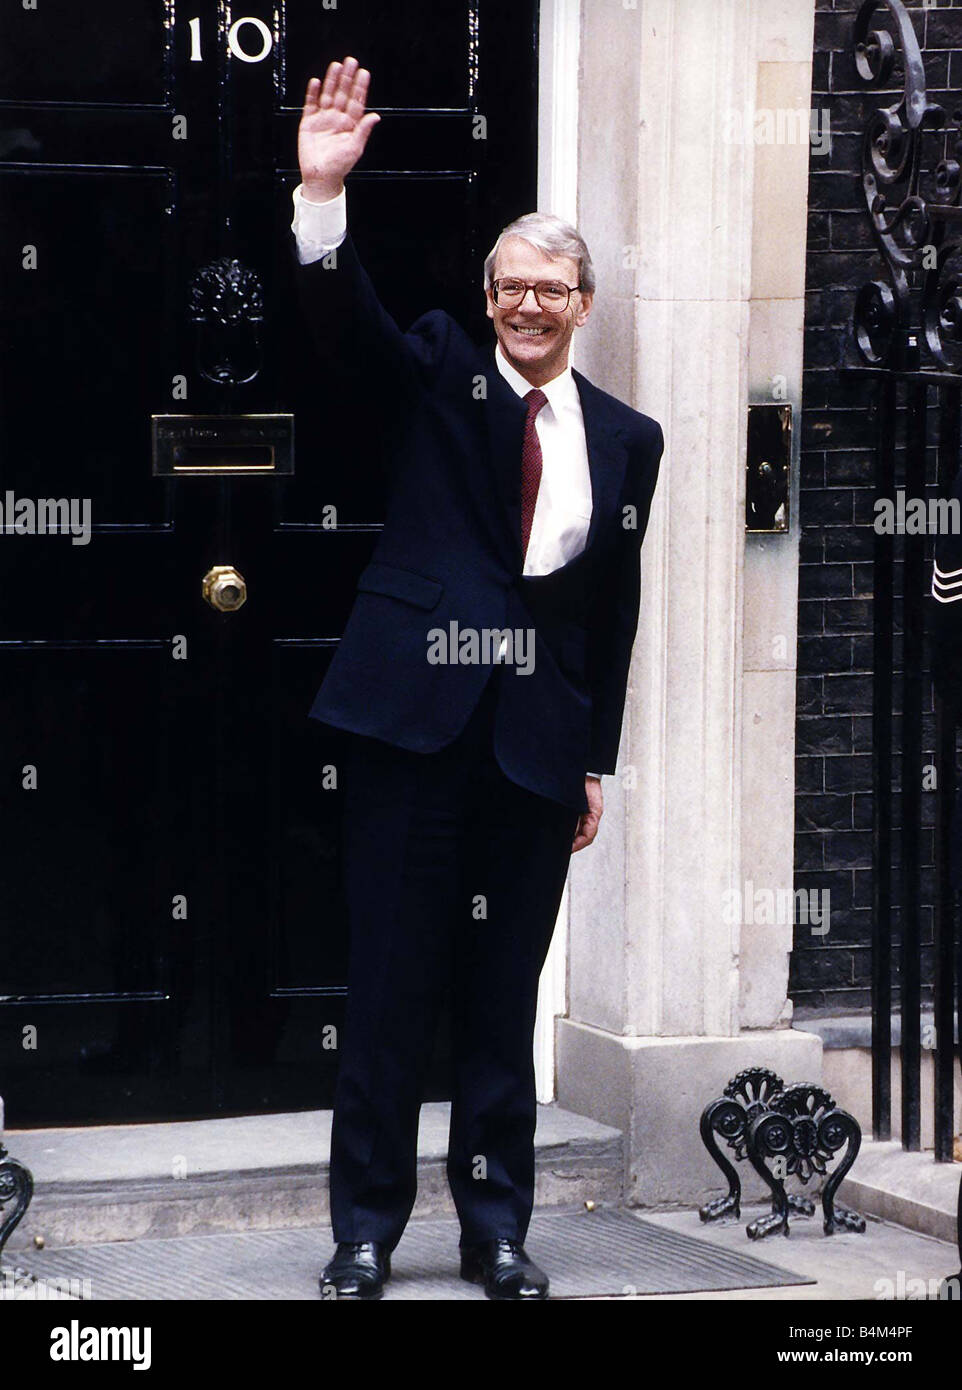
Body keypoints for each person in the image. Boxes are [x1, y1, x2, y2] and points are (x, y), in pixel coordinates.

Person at [290, 57, 664, 1300]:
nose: (526, 307)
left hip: (530, 745)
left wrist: (594, 757)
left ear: (584, 303)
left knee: (500, 1001)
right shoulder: (445, 367)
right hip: (413, 727)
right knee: (391, 989)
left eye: (549, 289)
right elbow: (347, 339)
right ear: (489, 295)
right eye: (510, 286)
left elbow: (610, 608)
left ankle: (496, 1228)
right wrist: (321, 194)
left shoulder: (624, 439)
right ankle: (363, 1233)